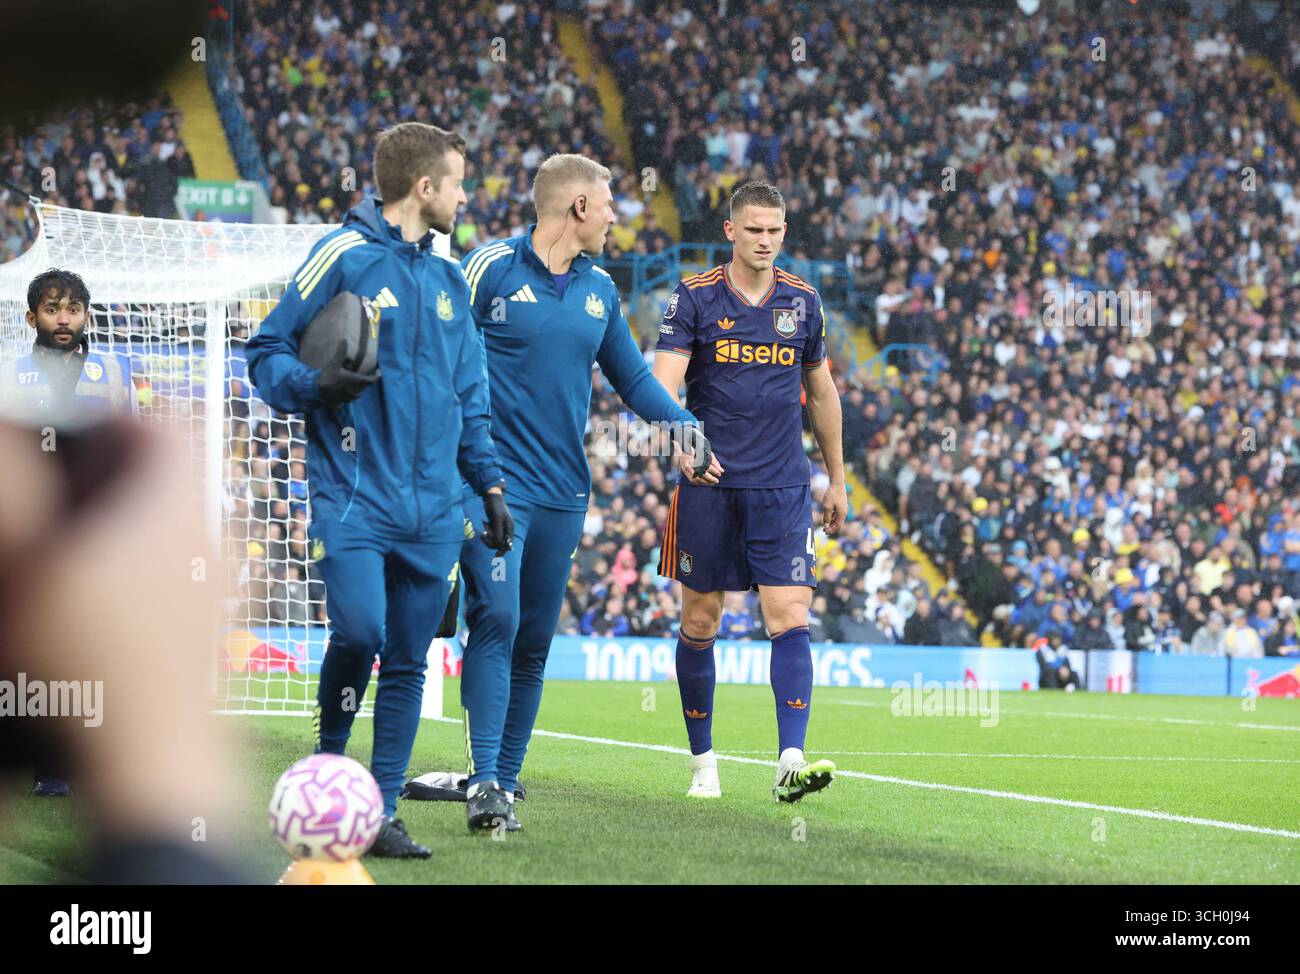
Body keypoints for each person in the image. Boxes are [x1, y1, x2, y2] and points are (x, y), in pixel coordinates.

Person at [245, 122, 512, 858]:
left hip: (434, 508)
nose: (465, 194)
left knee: (407, 658)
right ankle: (330, 768)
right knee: (359, 632)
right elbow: (264, 349)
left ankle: (383, 808)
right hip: (354, 495)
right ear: (424, 188)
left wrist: (486, 482)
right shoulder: (342, 254)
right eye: (458, 181)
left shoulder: (450, 279)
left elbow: (471, 395)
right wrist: (313, 384)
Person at [455, 153, 705, 832]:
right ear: (578, 208)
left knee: (534, 639)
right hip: (494, 487)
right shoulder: (489, 268)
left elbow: (632, 379)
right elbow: (444, 352)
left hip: (565, 491)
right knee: (496, 621)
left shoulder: (600, 290)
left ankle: (504, 780)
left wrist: (683, 425)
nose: (618, 215)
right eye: (609, 202)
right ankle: (480, 778)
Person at [652, 180, 848, 802]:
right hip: (710, 484)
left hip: (784, 486)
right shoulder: (695, 298)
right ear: (731, 231)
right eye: (754, 229)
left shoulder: (804, 302)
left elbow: (822, 393)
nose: (765, 240)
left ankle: (790, 761)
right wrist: (681, 442)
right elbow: (662, 381)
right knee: (701, 619)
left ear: (784, 233)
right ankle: (703, 764)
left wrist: (836, 478)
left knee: (790, 615)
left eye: (775, 230)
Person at [0, 268, 137, 798]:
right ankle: (44, 764)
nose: (65, 319)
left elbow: (128, 443)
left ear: (86, 315)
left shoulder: (111, 372)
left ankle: (91, 759)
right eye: (54, 309)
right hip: (32, 532)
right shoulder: (13, 376)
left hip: (96, 532)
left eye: (75, 309)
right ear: (32, 317)